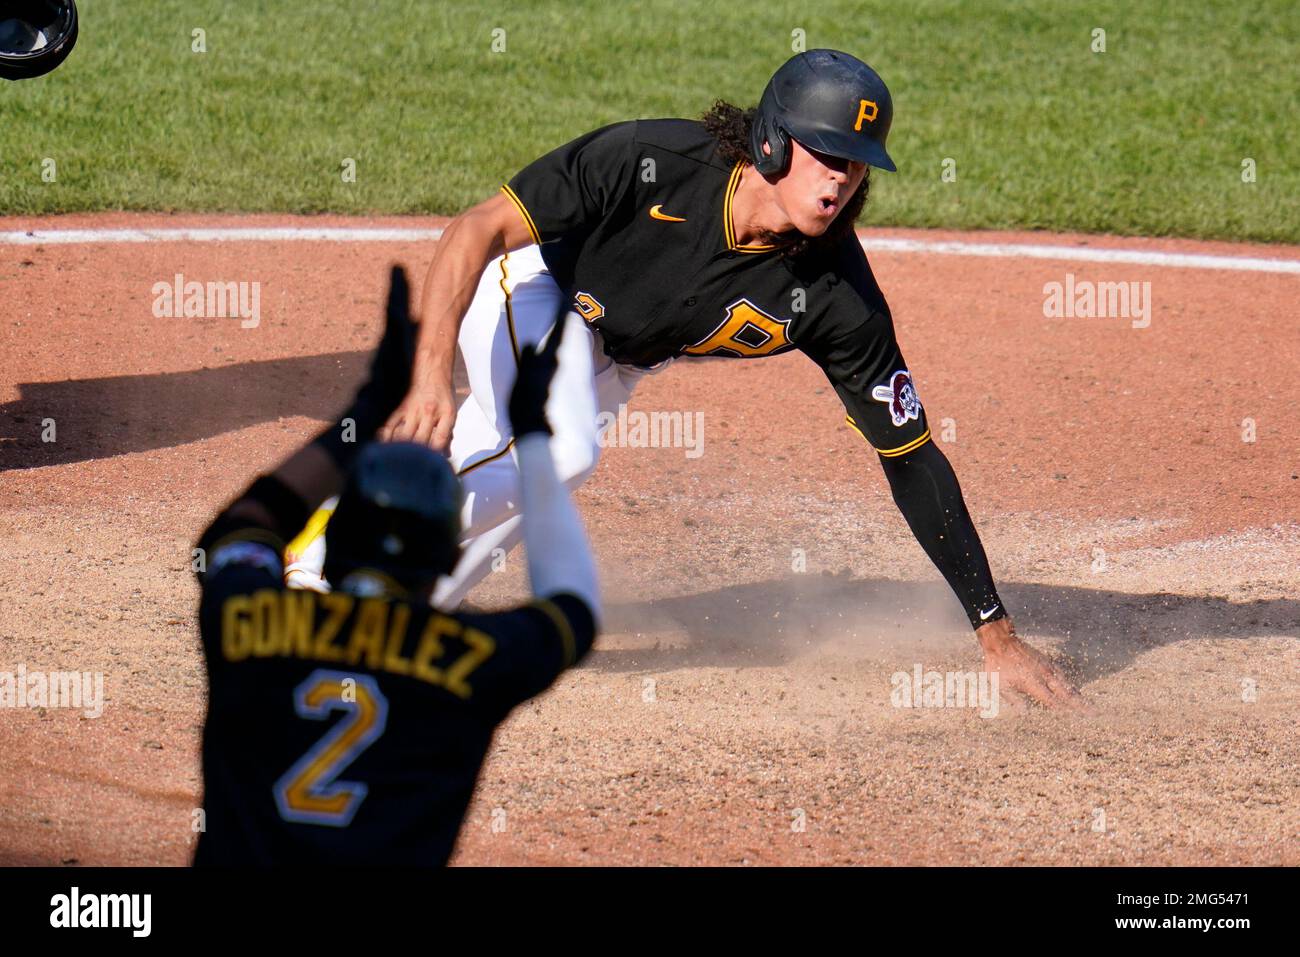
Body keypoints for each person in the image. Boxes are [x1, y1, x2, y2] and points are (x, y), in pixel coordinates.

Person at [287, 49, 1084, 710]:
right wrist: (429, 377)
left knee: (536, 475)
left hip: (618, 358)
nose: (842, 181)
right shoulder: (656, 163)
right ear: (772, 144)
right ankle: (316, 565)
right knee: (554, 449)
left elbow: (909, 455)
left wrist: (995, 633)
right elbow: (477, 227)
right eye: (828, 156)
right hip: (532, 294)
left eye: (858, 166)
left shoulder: (839, 297)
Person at [193, 268, 599, 864]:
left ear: (330, 539)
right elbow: (574, 605)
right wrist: (534, 438)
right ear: (451, 557)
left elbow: (239, 530)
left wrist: (361, 414)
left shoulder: (246, 621)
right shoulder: (474, 660)